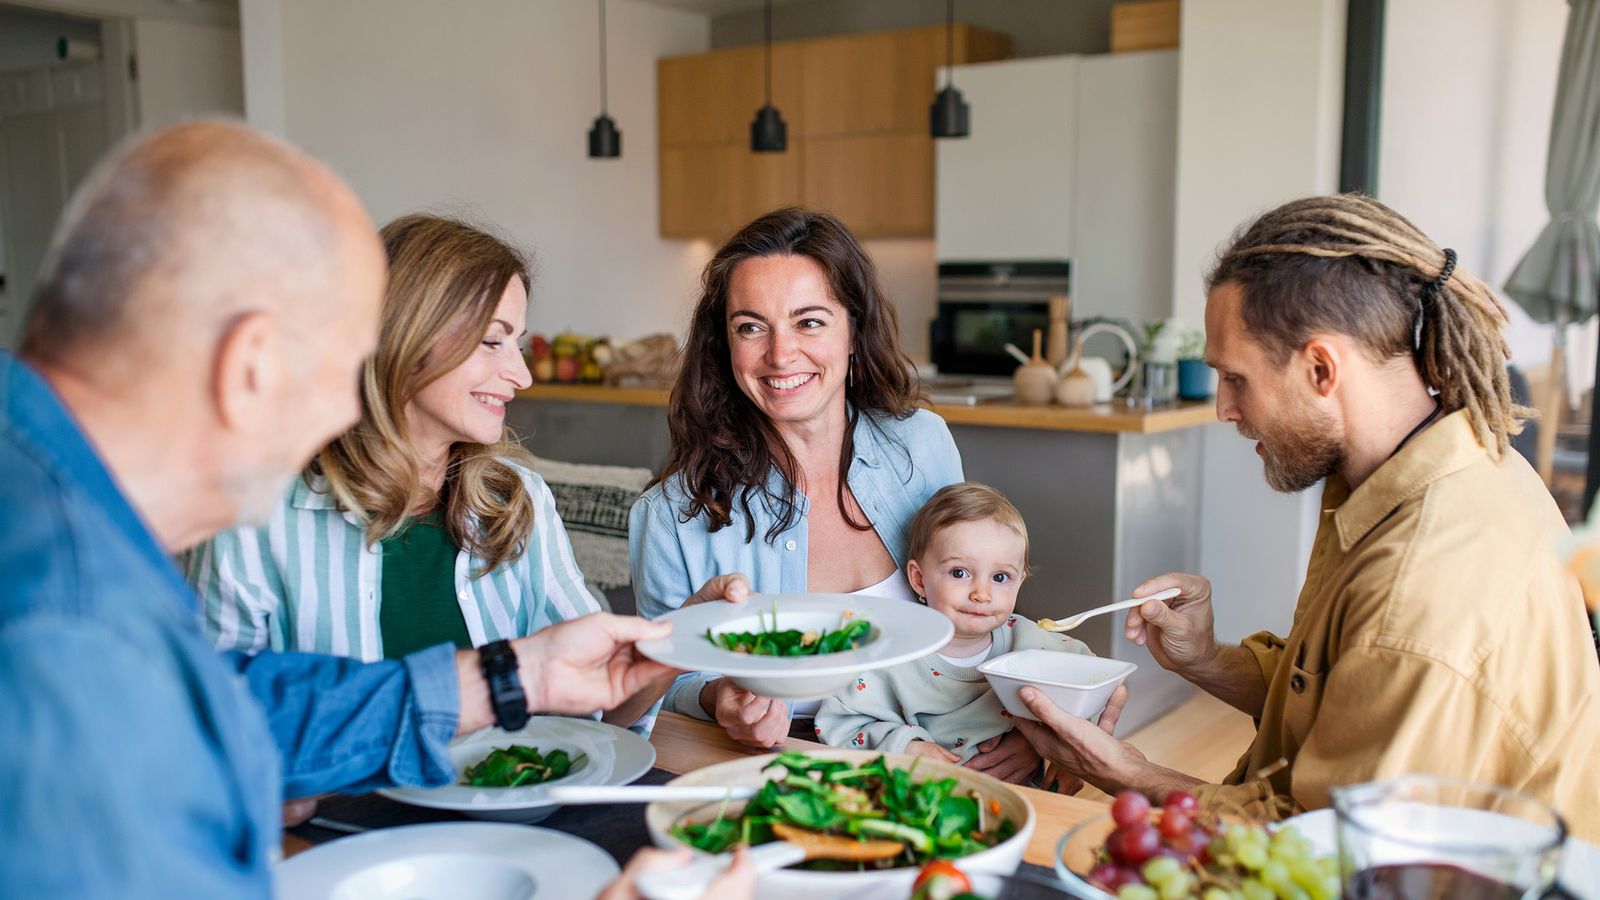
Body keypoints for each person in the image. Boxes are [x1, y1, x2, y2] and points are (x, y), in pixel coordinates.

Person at [0, 120, 750, 897]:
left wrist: (512, 675)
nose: (350, 409)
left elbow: (231, 699)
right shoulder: (67, 624)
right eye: (348, 363)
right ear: (250, 363)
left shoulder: (47, 502)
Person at [1009, 194, 1600, 842]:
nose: (1223, 410)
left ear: (1321, 368)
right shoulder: (1429, 471)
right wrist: (1202, 658)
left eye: (1235, 379)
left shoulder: (1424, 587)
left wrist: (1123, 772)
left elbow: (1325, 852)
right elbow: (1342, 700)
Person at [188, 214, 659, 736]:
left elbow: (592, 707)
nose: (521, 375)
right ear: (406, 335)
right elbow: (206, 718)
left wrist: (673, 645)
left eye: (518, 344)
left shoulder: (517, 498)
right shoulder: (257, 513)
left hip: (500, 811)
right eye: (491, 341)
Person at [629, 208, 1045, 781]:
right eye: (751, 326)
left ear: (853, 330)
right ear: (725, 346)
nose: (780, 355)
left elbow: (980, 603)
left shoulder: (922, 446)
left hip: (942, 749)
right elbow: (659, 680)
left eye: (809, 322)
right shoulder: (673, 513)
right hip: (778, 767)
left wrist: (1022, 725)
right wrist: (719, 698)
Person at [814, 483, 1095, 773]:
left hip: (1021, 800)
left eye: (1000, 577)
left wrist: (1056, 743)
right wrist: (904, 746)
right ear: (920, 579)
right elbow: (839, 724)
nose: (981, 594)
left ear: (1020, 582)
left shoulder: (1030, 644)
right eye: (959, 573)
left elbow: (1094, 682)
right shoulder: (890, 655)